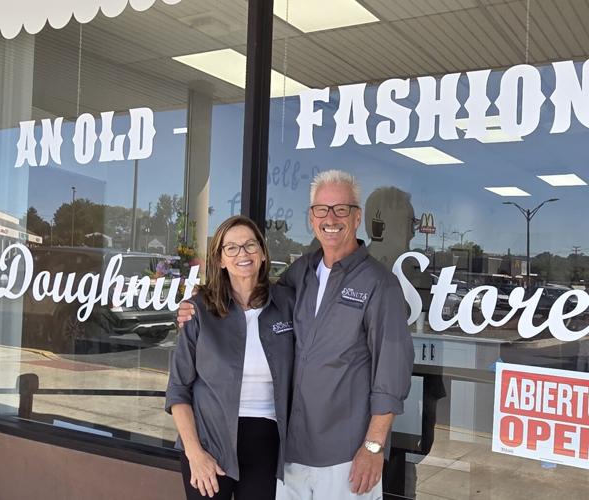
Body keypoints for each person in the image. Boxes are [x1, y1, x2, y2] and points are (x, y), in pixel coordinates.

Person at [177, 170, 414, 499]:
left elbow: (391, 377)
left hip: (344, 456)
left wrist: (373, 448)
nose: (331, 218)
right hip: (290, 454)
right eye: (321, 209)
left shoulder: (380, 285)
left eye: (341, 209)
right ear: (311, 218)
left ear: (357, 217)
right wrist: (197, 307)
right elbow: (252, 294)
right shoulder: (300, 273)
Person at [165, 216, 295, 500]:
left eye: (250, 245)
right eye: (231, 248)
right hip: (209, 442)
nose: (243, 254)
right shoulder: (199, 311)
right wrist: (194, 453)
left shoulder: (287, 304)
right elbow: (178, 391)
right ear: (221, 260)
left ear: (262, 253)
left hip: (267, 444)